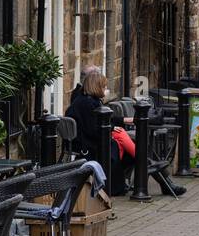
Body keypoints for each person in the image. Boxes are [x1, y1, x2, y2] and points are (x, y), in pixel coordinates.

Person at [66, 67, 187, 196]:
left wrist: (119, 124)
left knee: (130, 146)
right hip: (89, 146)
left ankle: (158, 177)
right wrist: (113, 129)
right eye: (104, 86)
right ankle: (159, 179)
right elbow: (93, 130)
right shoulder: (88, 103)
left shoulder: (88, 100)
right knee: (133, 148)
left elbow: (104, 121)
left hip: (91, 142)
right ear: (96, 86)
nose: (106, 89)